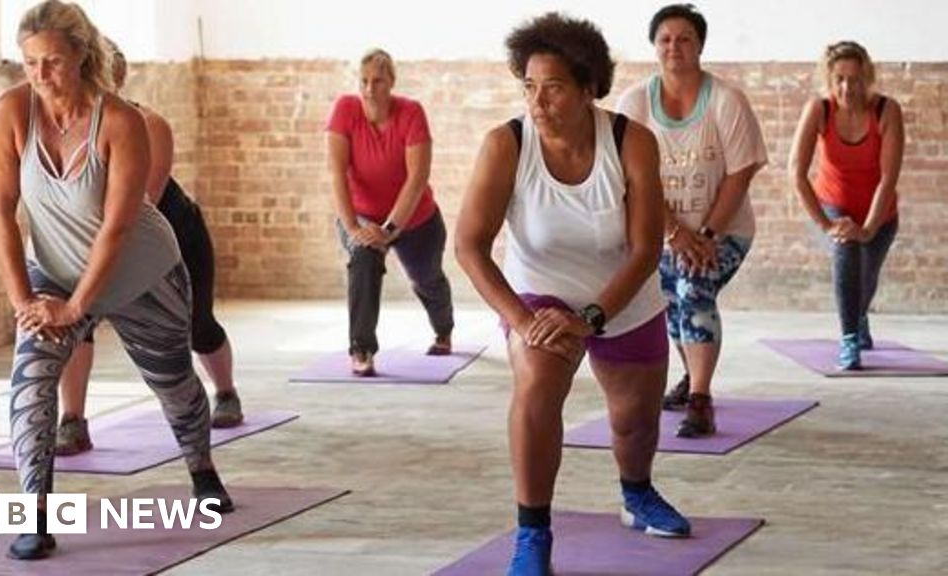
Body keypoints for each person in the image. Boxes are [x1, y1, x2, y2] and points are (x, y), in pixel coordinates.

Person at [0, 0, 232, 560]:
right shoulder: (11, 112)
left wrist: (77, 309)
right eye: (29, 64)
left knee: (171, 381)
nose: (40, 76)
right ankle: (36, 517)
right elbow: (0, 212)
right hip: (54, 268)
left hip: (140, 269)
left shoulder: (120, 122)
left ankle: (202, 469)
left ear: (81, 54)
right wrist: (24, 299)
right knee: (30, 384)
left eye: (52, 62)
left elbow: (117, 229)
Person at [456, 13, 689, 575]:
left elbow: (643, 249)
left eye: (554, 87)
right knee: (536, 385)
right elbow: (469, 246)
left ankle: (636, 493)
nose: (538, 101)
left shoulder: (631, 142)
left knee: (635, 422)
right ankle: (532, 533)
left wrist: (593, 315)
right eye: (529, 87)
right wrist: (523, 320)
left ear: (588, 89)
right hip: (541, 292)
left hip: (623, 296)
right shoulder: (506, 145)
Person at [53, 40, 244, 456]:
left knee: (197, 325)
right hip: (99, 240)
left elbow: (143, 205)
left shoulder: (148, 124)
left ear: (117, 79)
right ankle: (73, 420)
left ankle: (226, 392)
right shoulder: (71, 127)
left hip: (171, 239)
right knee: (78, 323)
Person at [616, 3, 767, 438]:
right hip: (661, 232)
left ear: (700, 45)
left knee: (693, 289)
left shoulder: (726, 100)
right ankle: (690, 377)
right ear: (654, 47)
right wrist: (674, 232)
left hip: (724, 231)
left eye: (684, 39)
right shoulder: (635, 102)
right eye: (665, 39)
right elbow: (632, 177)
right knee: (668, 304)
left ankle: (701, 401)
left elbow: (740, 173)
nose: (674, 47)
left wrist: (705, 236)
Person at [325, 49, 454, 376]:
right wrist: (354, 228)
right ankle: (362, 348)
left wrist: (391, 227)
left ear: (391, 82)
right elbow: (336, 173)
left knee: (426, 278)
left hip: (415, 217)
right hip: (362, 216)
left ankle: (444, 329)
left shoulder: (411, 113)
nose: (369, 89)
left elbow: (417, 177)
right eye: (364, 81)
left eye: (378, 81)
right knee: (364, 260)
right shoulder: (345, 110)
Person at [788, 41, 903, 370]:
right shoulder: (819, 110)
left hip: (880, 213)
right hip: (833, 207)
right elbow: (796, 173)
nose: (847, 87)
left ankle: (860, 315)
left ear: (867, 78)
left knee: (866, 277)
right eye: (839, 78)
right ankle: (850, 338)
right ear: (829, 79)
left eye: (854, 79)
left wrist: (868, 229)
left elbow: (888, 179)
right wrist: (827, 224)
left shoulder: (886, 111)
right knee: (846, 251)